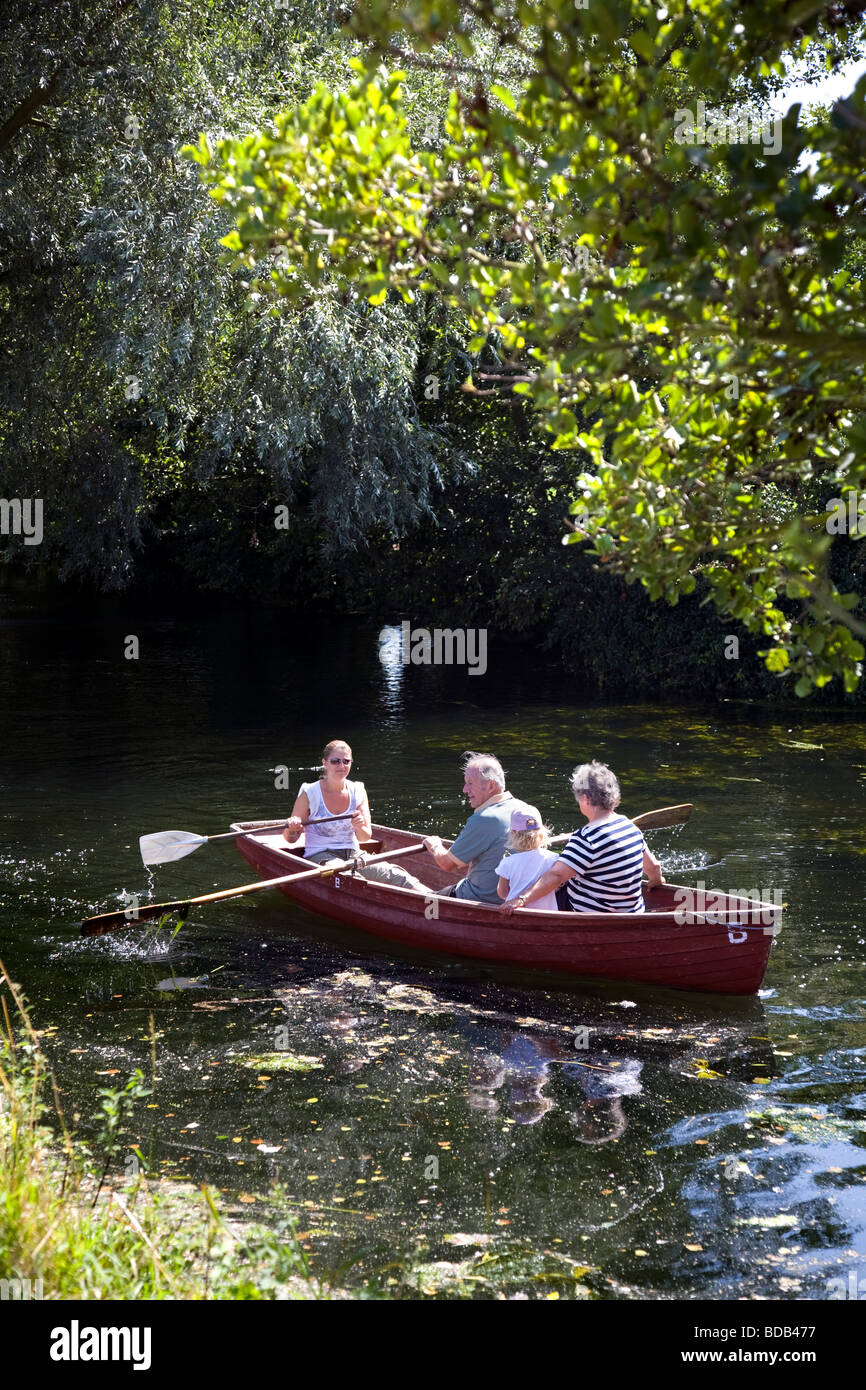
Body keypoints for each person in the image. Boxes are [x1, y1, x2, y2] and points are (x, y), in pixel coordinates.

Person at [500, 760, 664, 915]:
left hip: (589, 914)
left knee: (551, 885)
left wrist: (521, 899)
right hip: (632, 913)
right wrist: (656, 880)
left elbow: (556, 876)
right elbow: (654, 868)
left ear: (585, 798)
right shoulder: (629, 827)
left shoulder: (586, 837)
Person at [283, 739, 427, 890]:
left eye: (346, 761)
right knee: (352, 879)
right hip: (321, 854)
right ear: (324, 763)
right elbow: (291, 839)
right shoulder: (309, 792)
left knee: (399, 876)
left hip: (354, 854)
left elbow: (364, 837)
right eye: (335, 761)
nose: (341, 766)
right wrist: (291, 828)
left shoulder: (358, 790)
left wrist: (358, 827)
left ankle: (439, 898)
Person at [422, 752, 535, 904]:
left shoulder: (485, 819)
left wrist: (434, 845)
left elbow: (446, 864)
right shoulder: (526, 810)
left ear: (490, 785)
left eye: (469, 783)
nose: (464, 789)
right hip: (518, 899)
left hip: (480, 899)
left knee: (417, 893)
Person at [496, 809, 560, 912]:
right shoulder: (554, 858)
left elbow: (502, 893)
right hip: (547, 914)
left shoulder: (508, 862)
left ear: (513, 834)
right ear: (542, 834)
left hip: (515, 913)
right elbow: (556, 885)